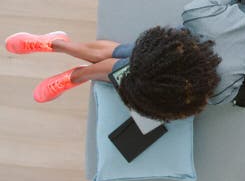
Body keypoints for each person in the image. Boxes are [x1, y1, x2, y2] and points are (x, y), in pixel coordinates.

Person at [5, 26, 221, 121]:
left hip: (165, 73)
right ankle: (59, 48)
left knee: (121, 64)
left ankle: (72, 65)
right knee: (125, 58)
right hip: (164, 60)